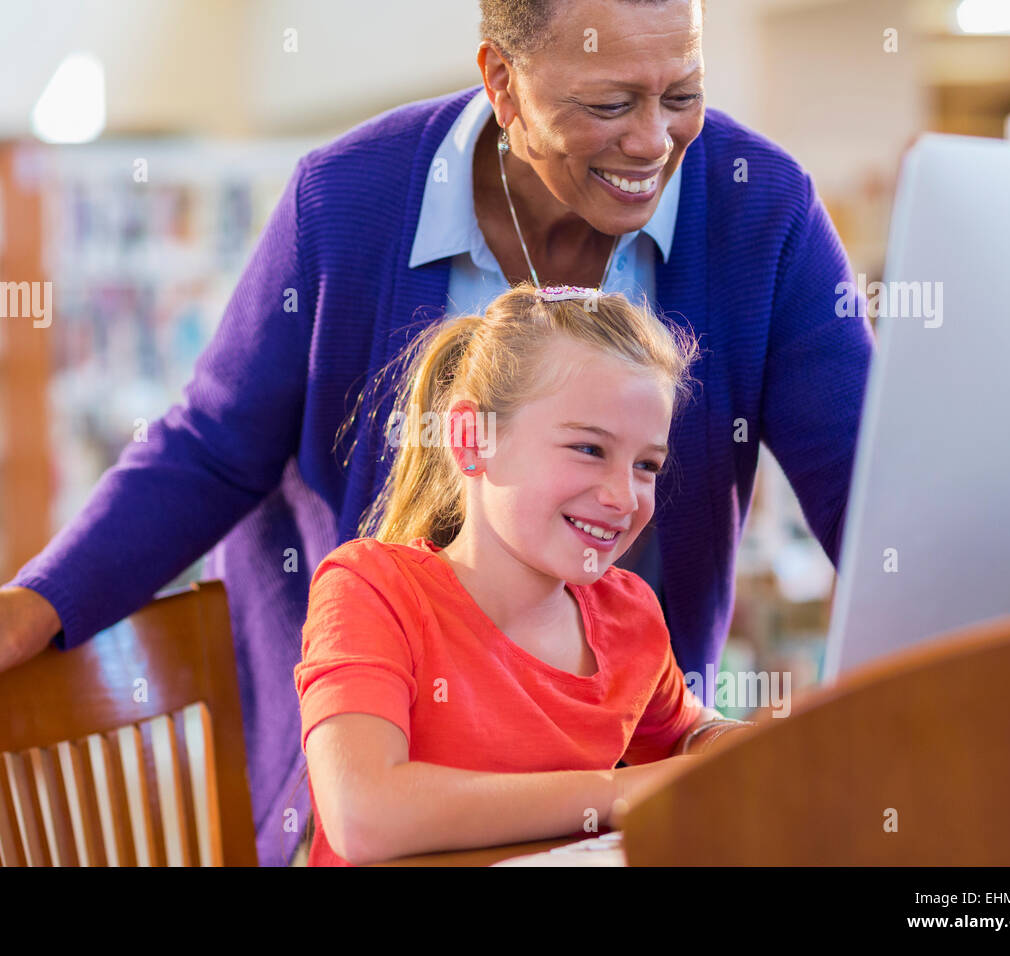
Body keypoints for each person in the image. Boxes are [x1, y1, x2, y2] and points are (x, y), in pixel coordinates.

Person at [0, 0, 873, 866]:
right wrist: (46, 596)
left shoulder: (761, 209)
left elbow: (868, 489)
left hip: (615, 779)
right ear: (502, 81)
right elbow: (210, 447)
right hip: (382, 751)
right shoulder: (348, 200)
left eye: (682, 95)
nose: (654, 141)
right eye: (610, 103)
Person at [298, 284, 755, 866]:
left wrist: (742, 748)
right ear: (471, 440)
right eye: (589, 449)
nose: (623, 497)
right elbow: (364, 816)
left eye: (647, 465)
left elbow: (689, 732)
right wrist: (618, 792)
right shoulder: (369, 590)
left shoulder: (628, 615)